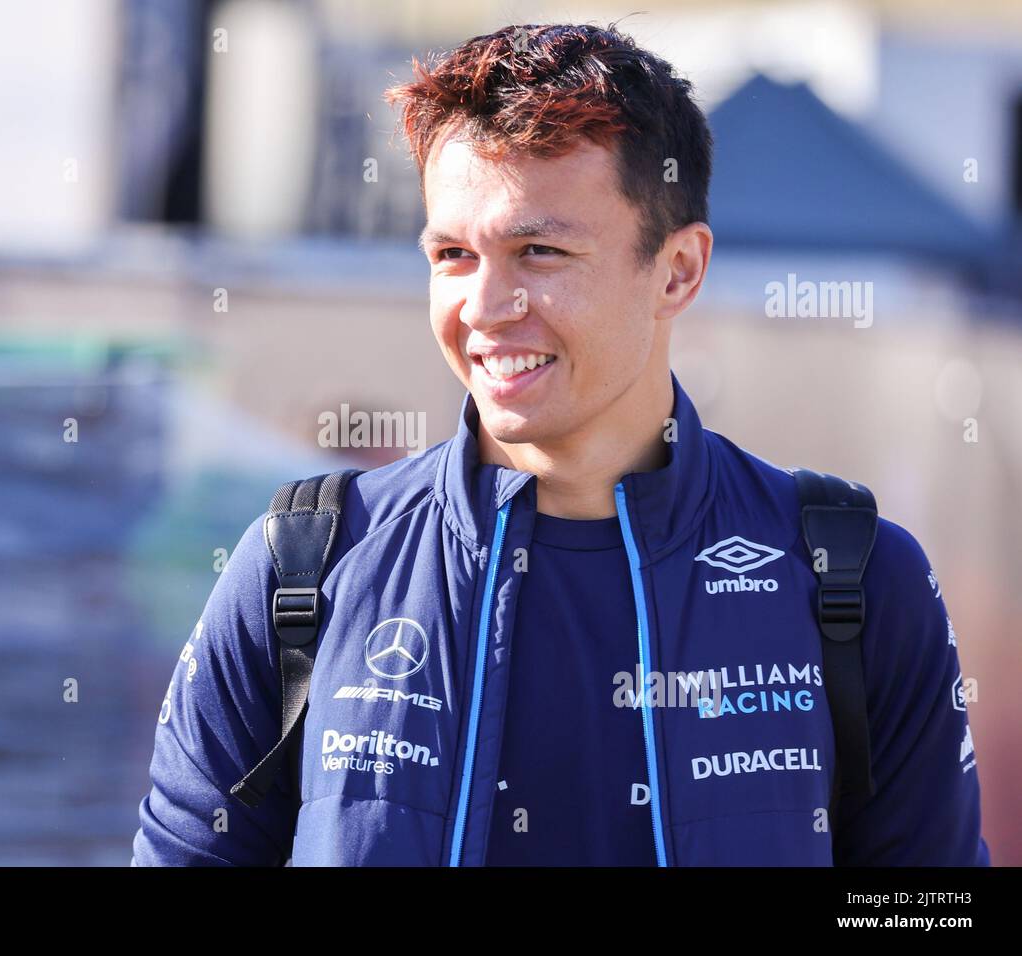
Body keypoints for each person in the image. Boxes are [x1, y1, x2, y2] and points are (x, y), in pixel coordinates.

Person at [132, 22, 989, 866]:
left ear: (678, 271)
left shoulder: (854, 580)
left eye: (539, 251)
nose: (485, 305)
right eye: (453, 254)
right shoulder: (305, 568)